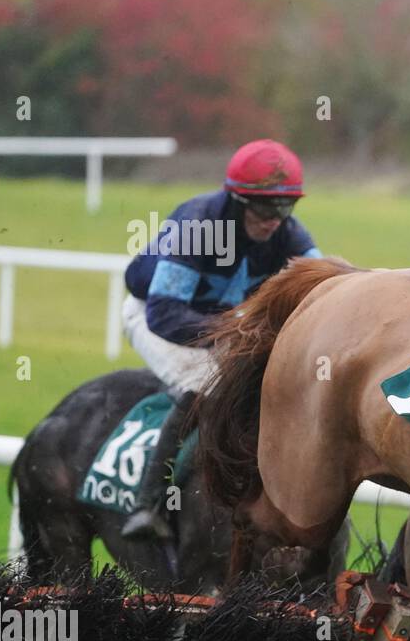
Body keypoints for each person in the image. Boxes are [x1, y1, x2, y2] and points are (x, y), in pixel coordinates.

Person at [119, 139, 322, 540]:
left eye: (286, 207)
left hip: (224, 322)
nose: (276, 220)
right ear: (237, 200)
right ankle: (149, 504)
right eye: (266, 208)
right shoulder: (198, 227)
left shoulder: (289, 235)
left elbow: (323, 288)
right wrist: (235, 334)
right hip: (156, 315)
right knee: (205, 384)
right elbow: (165, 314)